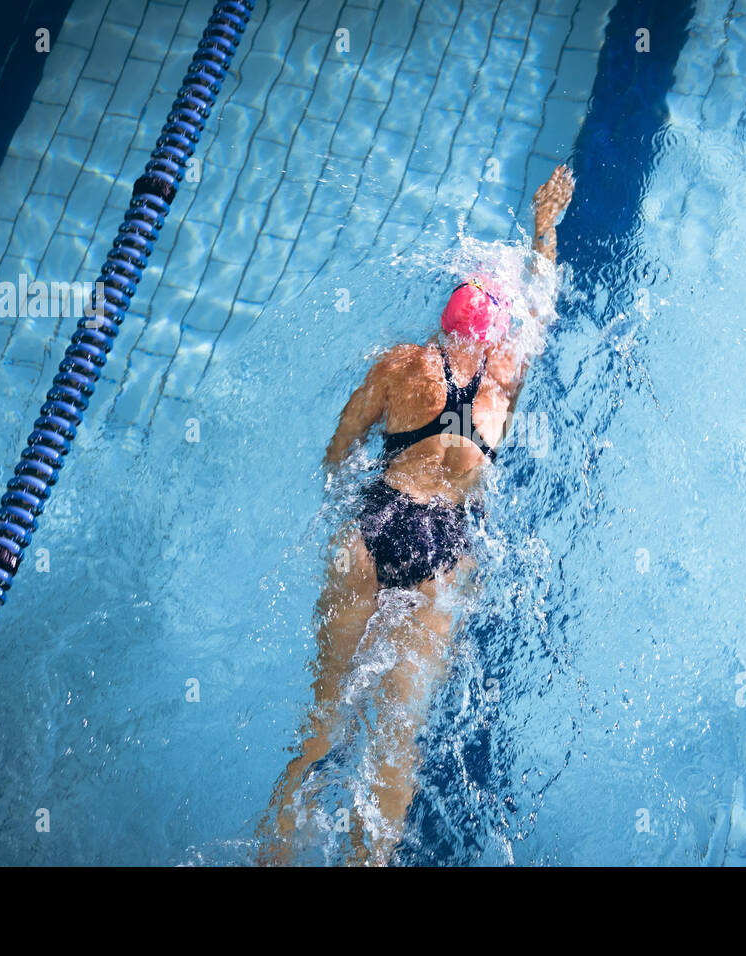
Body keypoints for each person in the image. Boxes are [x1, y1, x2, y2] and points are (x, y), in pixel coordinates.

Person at [255, 165, 575, 865]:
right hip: (442, 545)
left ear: (442, 321)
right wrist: (542, 229)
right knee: (394, 744)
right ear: (490, 338)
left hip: (372, 529)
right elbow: (543, 307)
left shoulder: (399, 364)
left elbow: (338, 454)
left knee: (320, 726)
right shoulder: (504, 378)